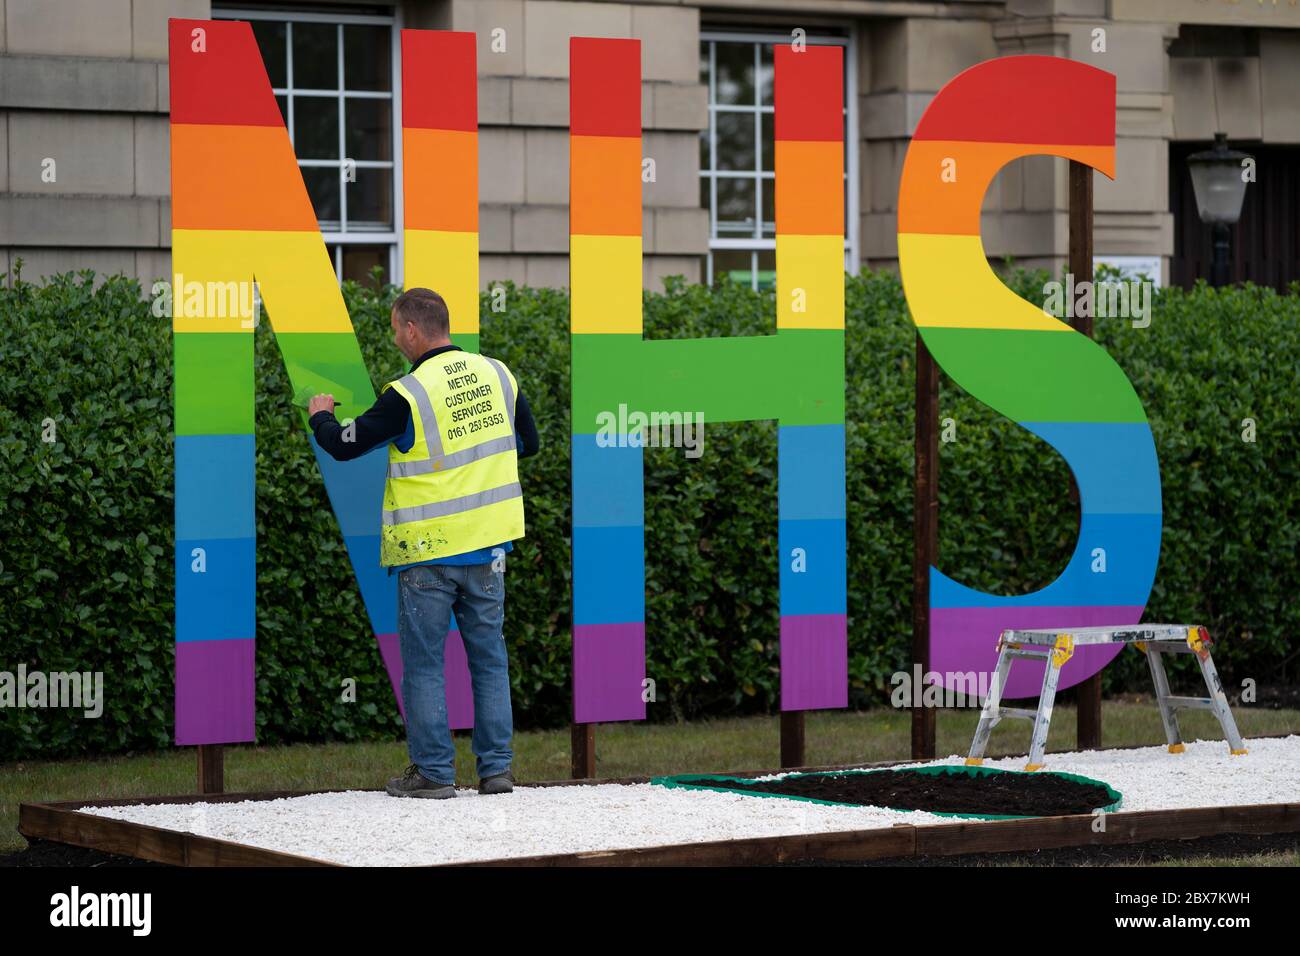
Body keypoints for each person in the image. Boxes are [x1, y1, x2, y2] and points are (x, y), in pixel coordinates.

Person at [308, 287, 539, 799]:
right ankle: (496, 772)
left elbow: (344, 445)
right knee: (490, 660)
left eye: (396, 329)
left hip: (427, 554)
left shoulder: (408, 394)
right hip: (488, 550)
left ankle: (434, 774)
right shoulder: (499, 375)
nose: (395, 339)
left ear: (412, 329)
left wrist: (320, 414)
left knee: (425, 665)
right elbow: (530, 443)